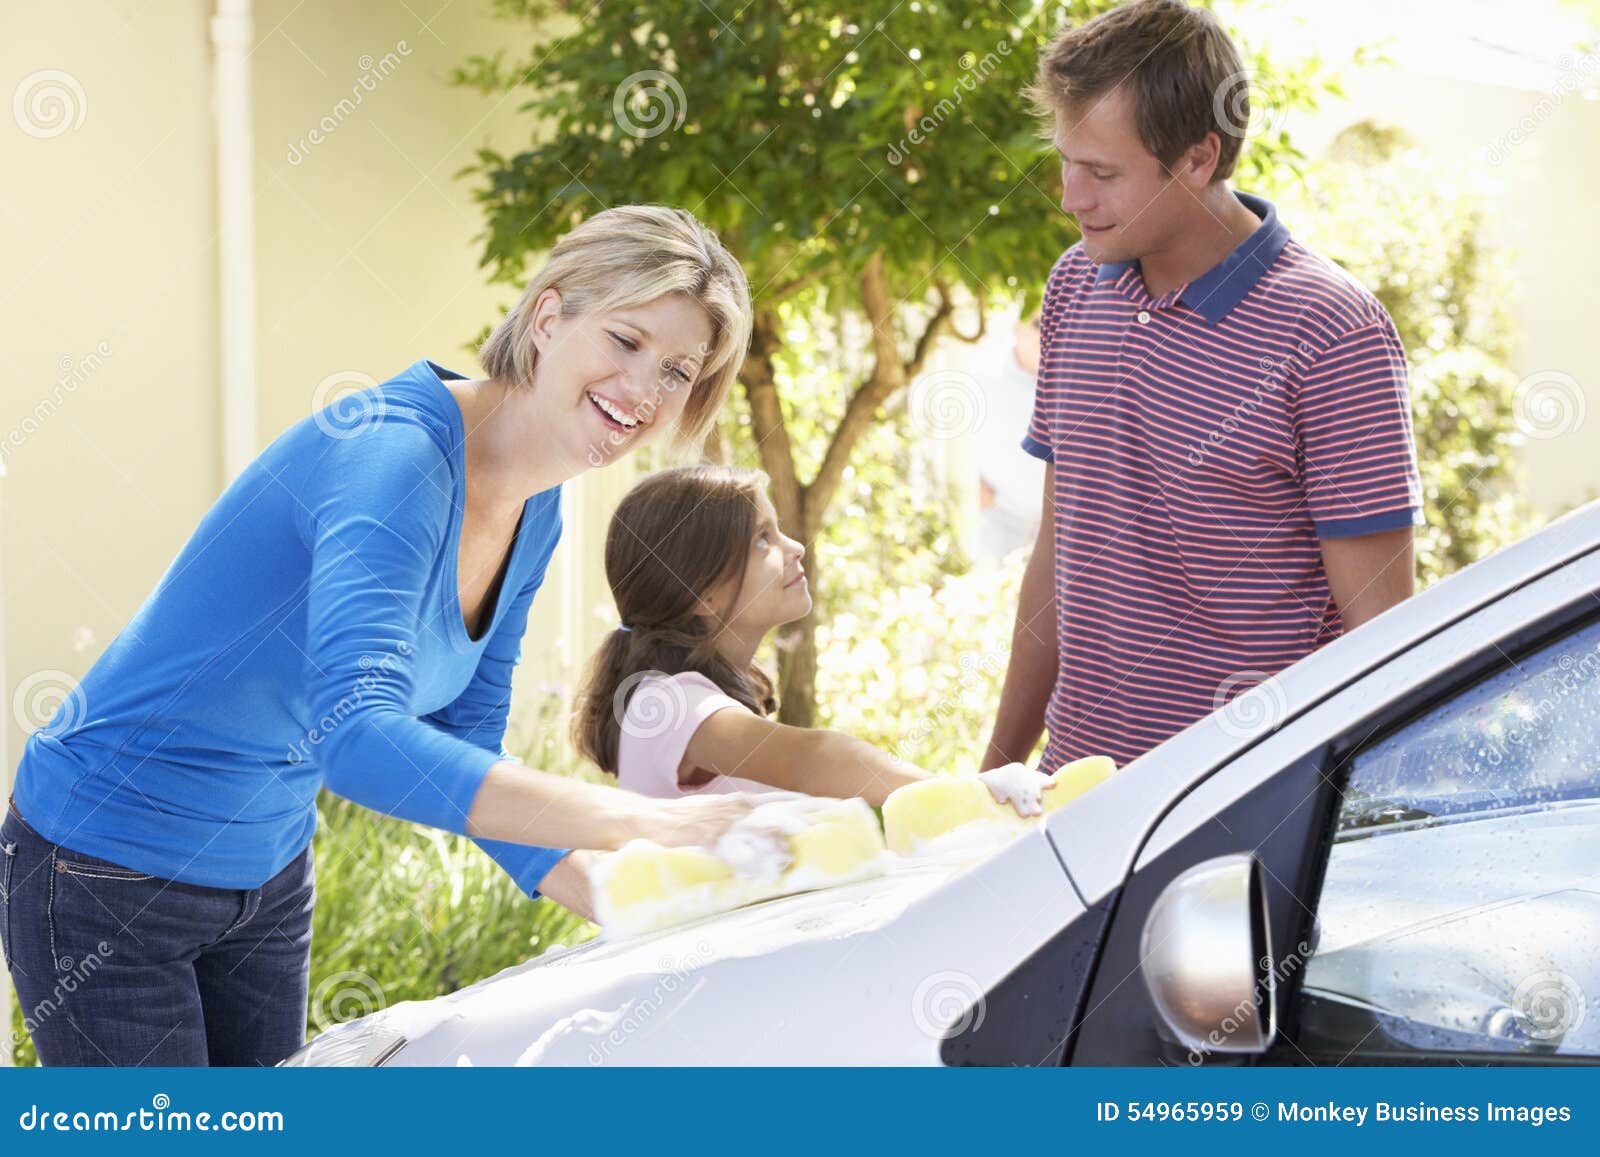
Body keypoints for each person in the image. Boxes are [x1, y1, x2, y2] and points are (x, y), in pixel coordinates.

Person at [1, 205, 765, 1067]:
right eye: (625, 340)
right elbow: (358, 741)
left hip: (268, 868)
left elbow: (462, 736)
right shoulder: (392, 457)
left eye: (676, 370)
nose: (644, 390)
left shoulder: (537, 503)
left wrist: (609, 894)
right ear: (548, 318)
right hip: (106, 866)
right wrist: (633, 821)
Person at [983, 0, 1424, 776]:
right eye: (1066, 161)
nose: (1069, 198)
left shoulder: (1332, 334)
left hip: (1243, 816)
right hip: (1073, 796)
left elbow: (1382, 635)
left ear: (1195, 158)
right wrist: (996, 774)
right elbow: (1059, 553)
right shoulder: (1074, 286)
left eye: (1102, 173)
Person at [573, 465, 1055, 814]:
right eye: (763, 538)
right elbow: (813, 758)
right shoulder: (668, 705)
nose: (795, 547)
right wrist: (960, 796)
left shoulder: (699, 698)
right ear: (702, 594)